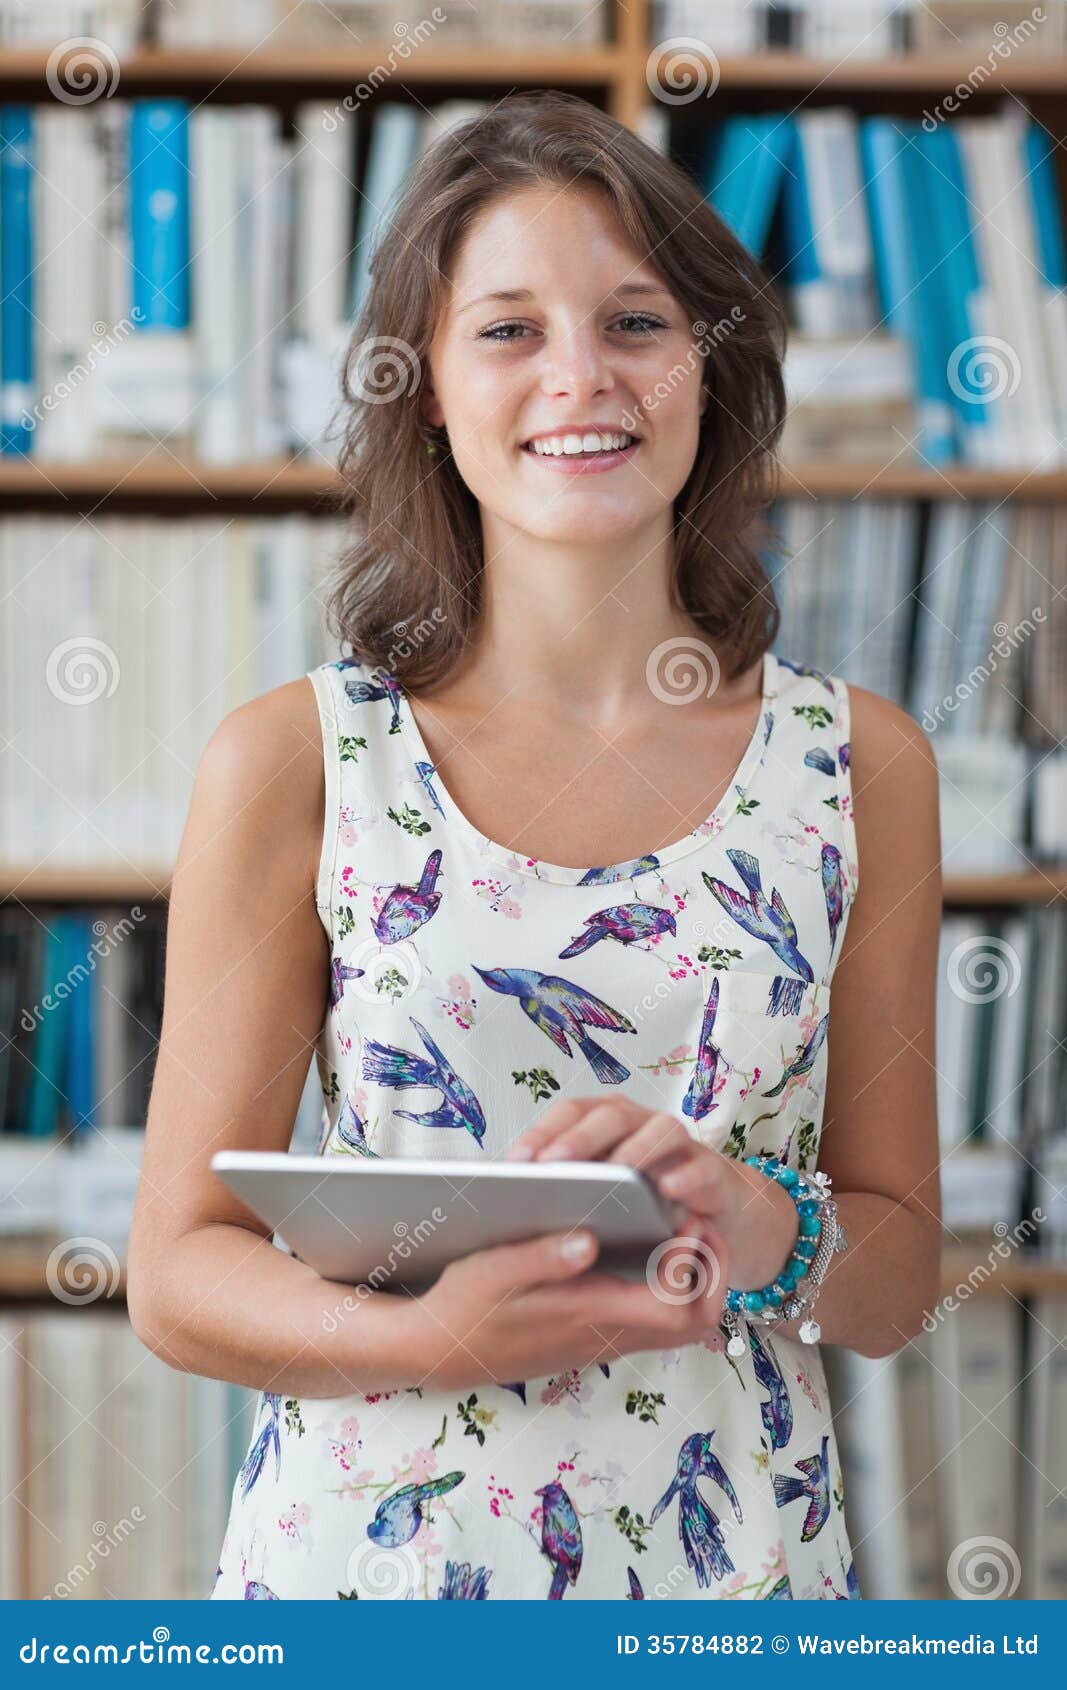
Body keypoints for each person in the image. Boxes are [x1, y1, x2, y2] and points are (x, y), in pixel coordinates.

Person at [126, 90, 941, 1601]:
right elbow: (177, 1270)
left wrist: (758, 1220)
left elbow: (895, 1287)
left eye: (637, 320)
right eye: (508, 329)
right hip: (363, 1585)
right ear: (426, 383)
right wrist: (426, 1337)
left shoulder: (862, 765)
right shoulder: (297, 759)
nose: (583, 375)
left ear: (708, 362)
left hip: (737, 1588)